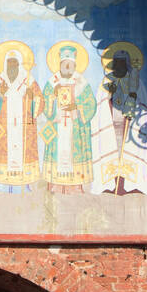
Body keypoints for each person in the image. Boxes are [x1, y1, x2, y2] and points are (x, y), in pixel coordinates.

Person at [91, 43, 147, 196]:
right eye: (116, 63)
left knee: (129, 151)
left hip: (130, 124)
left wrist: (133, 105)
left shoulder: (135, 81)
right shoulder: (107, 80)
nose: (119, 66)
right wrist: (109, 95)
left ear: (126, 63)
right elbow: (99, 104)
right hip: (110, 124)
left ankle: (132, 183)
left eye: (122, 63)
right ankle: (110, 183)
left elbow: (143, 102)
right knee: (112, 150)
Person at [0, 42, 43, 192]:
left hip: (23, 128)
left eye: (14, 63)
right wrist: (1, 93)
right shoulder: (0, 81)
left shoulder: (28, 80)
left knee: (23, 154)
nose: (12, 66)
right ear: (5, 64)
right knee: (5, 156)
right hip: (5, 129)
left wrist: (31, 97)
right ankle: (2, 185)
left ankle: (23, 186)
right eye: (9, 63)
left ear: (19, 64)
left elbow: (40, 101)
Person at [42, 42, 96, 193]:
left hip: (75, 127)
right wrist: (53, 95)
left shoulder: (82, 83)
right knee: (58, 153)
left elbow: (91, 104)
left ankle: (75, 185)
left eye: (70, 64)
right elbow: (44, 103)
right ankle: (55, 184)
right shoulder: (52, 82)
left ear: (74, 65)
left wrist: (77, 108)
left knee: (73, 155)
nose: (67, 67)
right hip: (58, 126)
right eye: (64, 64)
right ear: (59, 64)